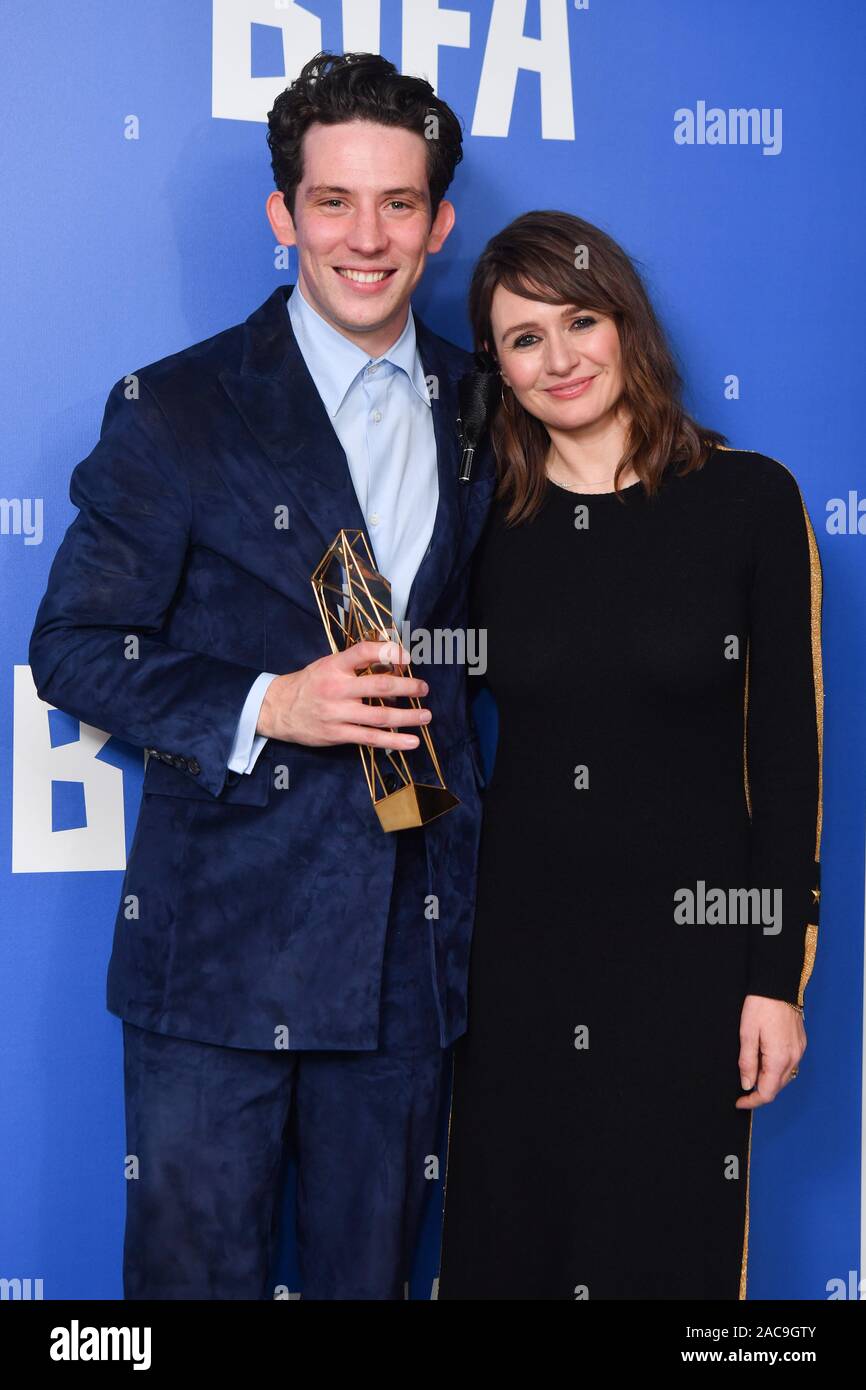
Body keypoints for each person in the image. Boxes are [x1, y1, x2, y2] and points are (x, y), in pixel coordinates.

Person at [28, 51, 496, 1300]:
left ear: (439, 222)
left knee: (374, 1282)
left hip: (409, 952)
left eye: (398, 203)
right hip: (216, 958)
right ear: (282, 215)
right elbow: (69, 646)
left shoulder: (486, 404)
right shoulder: (176, 409)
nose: (366, 235)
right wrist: (267, 704)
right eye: (332, 201)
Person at [437, 210, 823, 1300]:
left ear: (625, 324)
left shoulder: (747, 500)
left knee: (664, 1254)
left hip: (689, 961)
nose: (557, 358)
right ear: (496, 369)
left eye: (578, 320)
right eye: (521, 338)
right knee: (508, 1251)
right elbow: (426, 720)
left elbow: (786, 760)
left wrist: (770, 979)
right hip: (515, 957)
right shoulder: (484, 523)